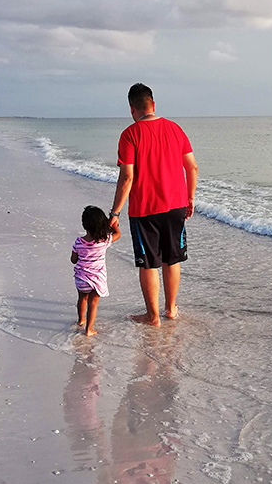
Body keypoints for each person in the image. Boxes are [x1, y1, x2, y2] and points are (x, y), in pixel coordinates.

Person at [109, 83, 198, 326]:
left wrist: (114, 212)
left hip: (145, 209)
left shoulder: (130, 134)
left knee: (149, 262)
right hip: (176, 205)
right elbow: (192, 167)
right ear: (153, 104)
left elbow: (127, 177)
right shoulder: (175, 129)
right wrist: (190, 198)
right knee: (172, 259)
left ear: (131, 108)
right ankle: (170, 309)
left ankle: (152, 316)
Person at [71, 205, 121, 336]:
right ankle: (89, 329)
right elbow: (118, 234)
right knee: (93, 303)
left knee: (82, 299)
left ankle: (81, 320)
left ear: (84, 224)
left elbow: (73, 260)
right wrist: (113, 224)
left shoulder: (78, 242)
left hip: (81, 278)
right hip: (97, 279)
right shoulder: (104, 241)